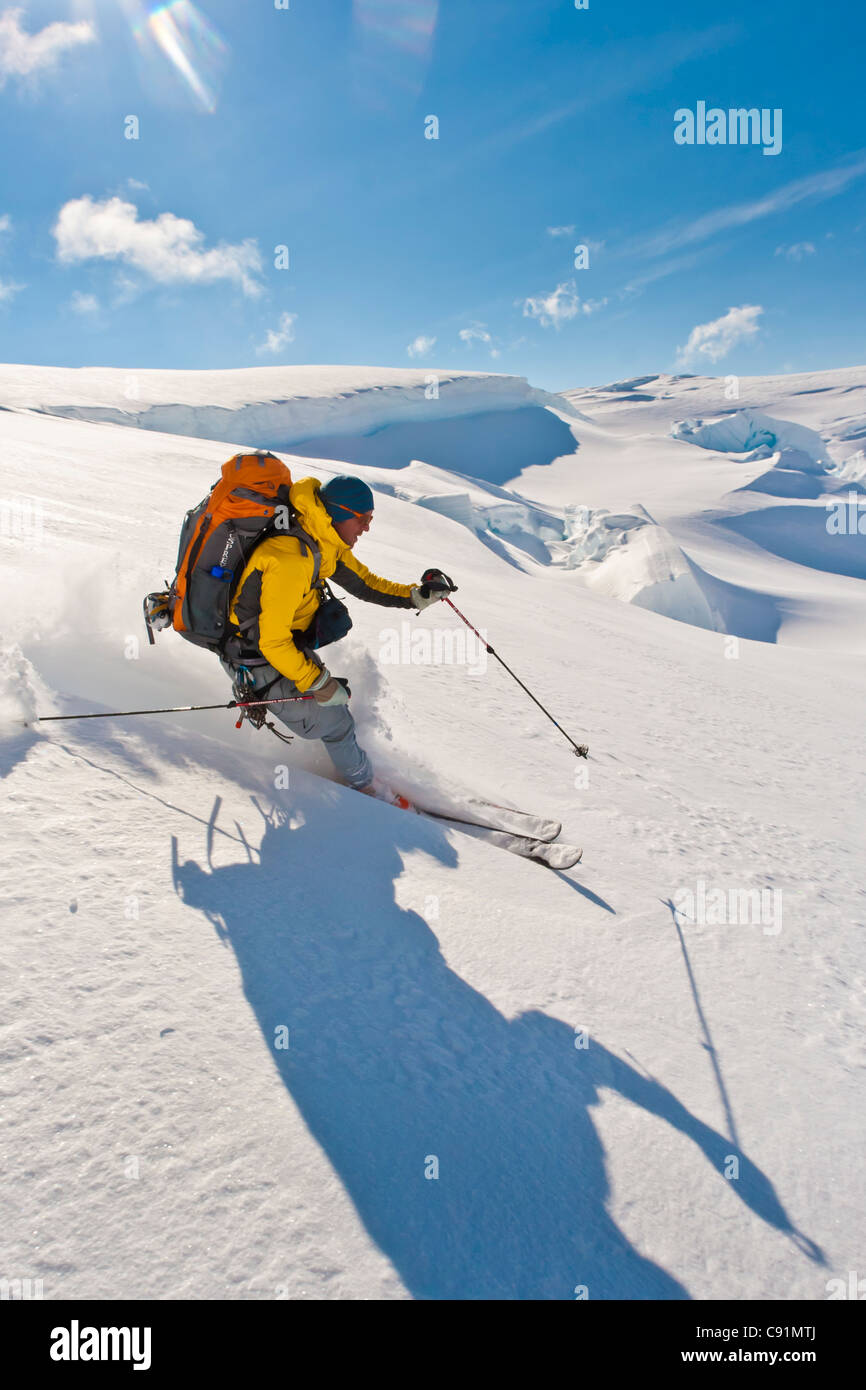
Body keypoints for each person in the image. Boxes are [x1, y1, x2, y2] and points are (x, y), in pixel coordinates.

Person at [221, 473, 453, 807]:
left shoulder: (323, 542)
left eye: (370, 520)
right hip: (254, 659)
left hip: (280, 650)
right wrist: (318, 682)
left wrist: (417, 596)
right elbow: (272, 642)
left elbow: (366, 583)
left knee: (336, 701)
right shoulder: (291, 558)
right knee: (338, 721)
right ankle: (368, 792)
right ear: (340, 513)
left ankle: (352, 768)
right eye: (363, 519)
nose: (366, 528)